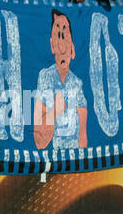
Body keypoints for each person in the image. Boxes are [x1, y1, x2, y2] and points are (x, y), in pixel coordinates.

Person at [33, 10, 88, 151]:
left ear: (73, 49)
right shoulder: (44, 77)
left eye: (65, 31)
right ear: (51, 45)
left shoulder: (77, 83)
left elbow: (83, 139)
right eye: (57, 31)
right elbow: (39, 142)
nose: (61, 34)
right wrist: (55, 111)